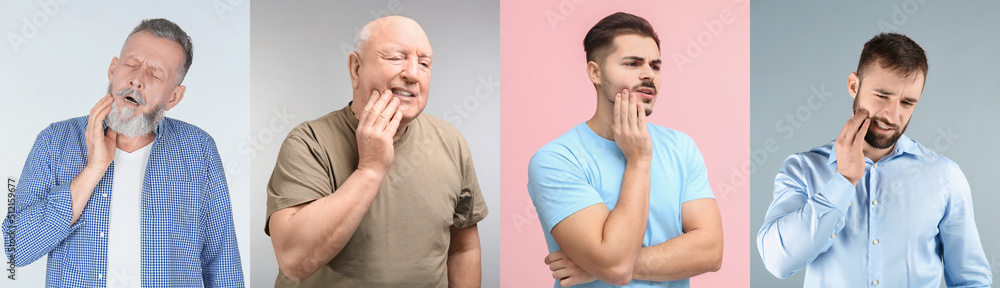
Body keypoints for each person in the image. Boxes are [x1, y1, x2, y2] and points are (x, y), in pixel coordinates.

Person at [3, 18, 244, 287]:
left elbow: (222, 266)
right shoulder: (54, 141)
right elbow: (16, 248)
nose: (137, 80)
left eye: (155, 74)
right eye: (131, 64)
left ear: (173, 97)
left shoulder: (199, 149)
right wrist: (93, 169)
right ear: (113, 69)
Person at [264, 16, 488, 287]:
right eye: (396, 58)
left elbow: (463, 249)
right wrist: (370, 169)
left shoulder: (451, 141)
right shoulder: (308, 142)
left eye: (424, 63)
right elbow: (294, 261)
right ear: (356, 69)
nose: (412, 74)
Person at [756, 32, 992, 287]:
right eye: (882, 96)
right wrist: (844, 180)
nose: (892, 115)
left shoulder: (946, 177)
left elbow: (971, 280)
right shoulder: (803, 169)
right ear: (854, 86)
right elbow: (778, 262)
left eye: (907, 102)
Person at [527, 12, 723, 288]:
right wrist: (639, 160)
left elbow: (711, 252)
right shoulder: (556, 160)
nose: (648, 75)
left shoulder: (681, 147)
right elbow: (616, 267)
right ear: (595, 72)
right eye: (632, 63)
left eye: (655, 66)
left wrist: (597, 268)